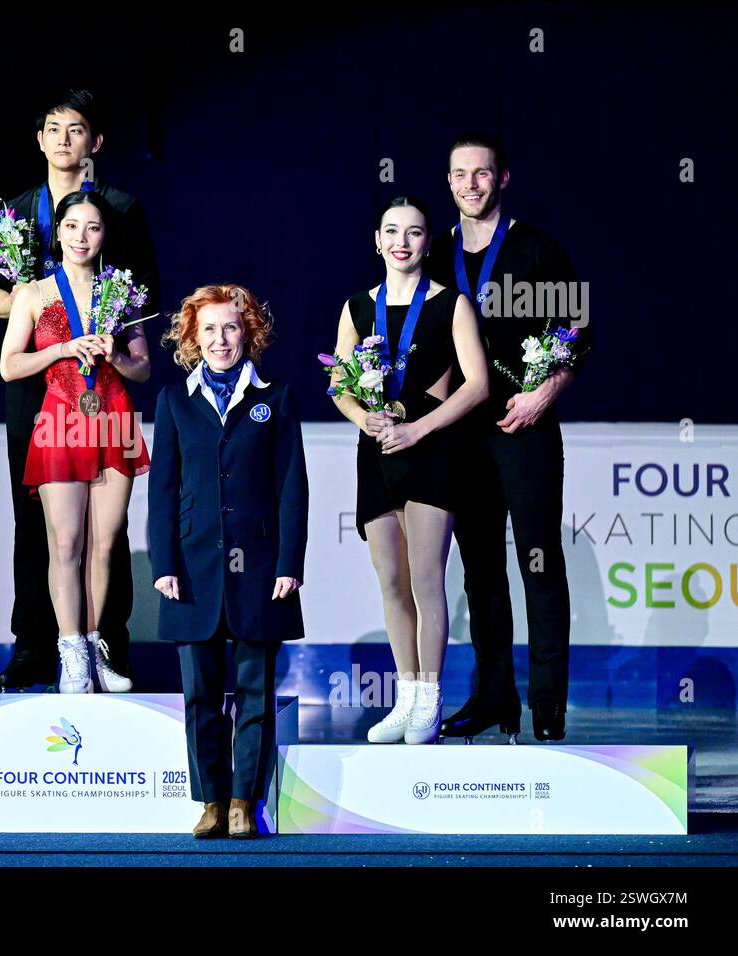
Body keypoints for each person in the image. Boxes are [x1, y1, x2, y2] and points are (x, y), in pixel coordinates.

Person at [0, 89, 161, 691]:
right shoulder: (16, 213)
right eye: (53, 128)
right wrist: (40, 312)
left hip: (105, 396)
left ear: (95, 142)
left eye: (76, 129)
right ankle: (40, 645)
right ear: (39, 140)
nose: (64, 139)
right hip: (41, 389)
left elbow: (142, 305)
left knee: (105, 538)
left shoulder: (122, 209)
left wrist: (99, 329)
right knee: (38, 528)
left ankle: (107, 644)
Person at [426, 134, 594, 742]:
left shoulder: (537, 249)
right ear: (448, 182)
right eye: (460, 174)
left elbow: (579, 332)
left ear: (502, 180)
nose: (471, 184)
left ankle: (549, 709)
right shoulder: (434, 255)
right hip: (461, 436)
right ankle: (494, 697)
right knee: (479, 573)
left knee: (539, 565)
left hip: (524, 429)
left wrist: (545, 393)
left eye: (483, 173)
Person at [149, 284, 307, 838]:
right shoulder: (173, 402)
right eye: (209, 329)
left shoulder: (277, 398)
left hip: (260, 569)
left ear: (250, 333)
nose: (221, 339)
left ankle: (245, 800)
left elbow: (292, 487)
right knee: (199, 695)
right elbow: (163, 489)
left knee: (256, 693)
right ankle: (212, 801)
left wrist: (289, 563)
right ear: (193, 337)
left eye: (231, 328)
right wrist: (162, 562)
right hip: (191, 571)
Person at [329, 196, 488, 745]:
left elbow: (478, 385)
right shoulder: (355, 307)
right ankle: (403, 696)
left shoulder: (452, 304)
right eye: (391, 232)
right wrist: (363, 419)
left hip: (432, 450)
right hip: (377, 452)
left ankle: (430, 697)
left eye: (414, 233)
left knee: (425, 579)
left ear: (427, 242)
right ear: (377, 241)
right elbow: (340, 384)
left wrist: (417, 429)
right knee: (391, 580)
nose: (402, 241)